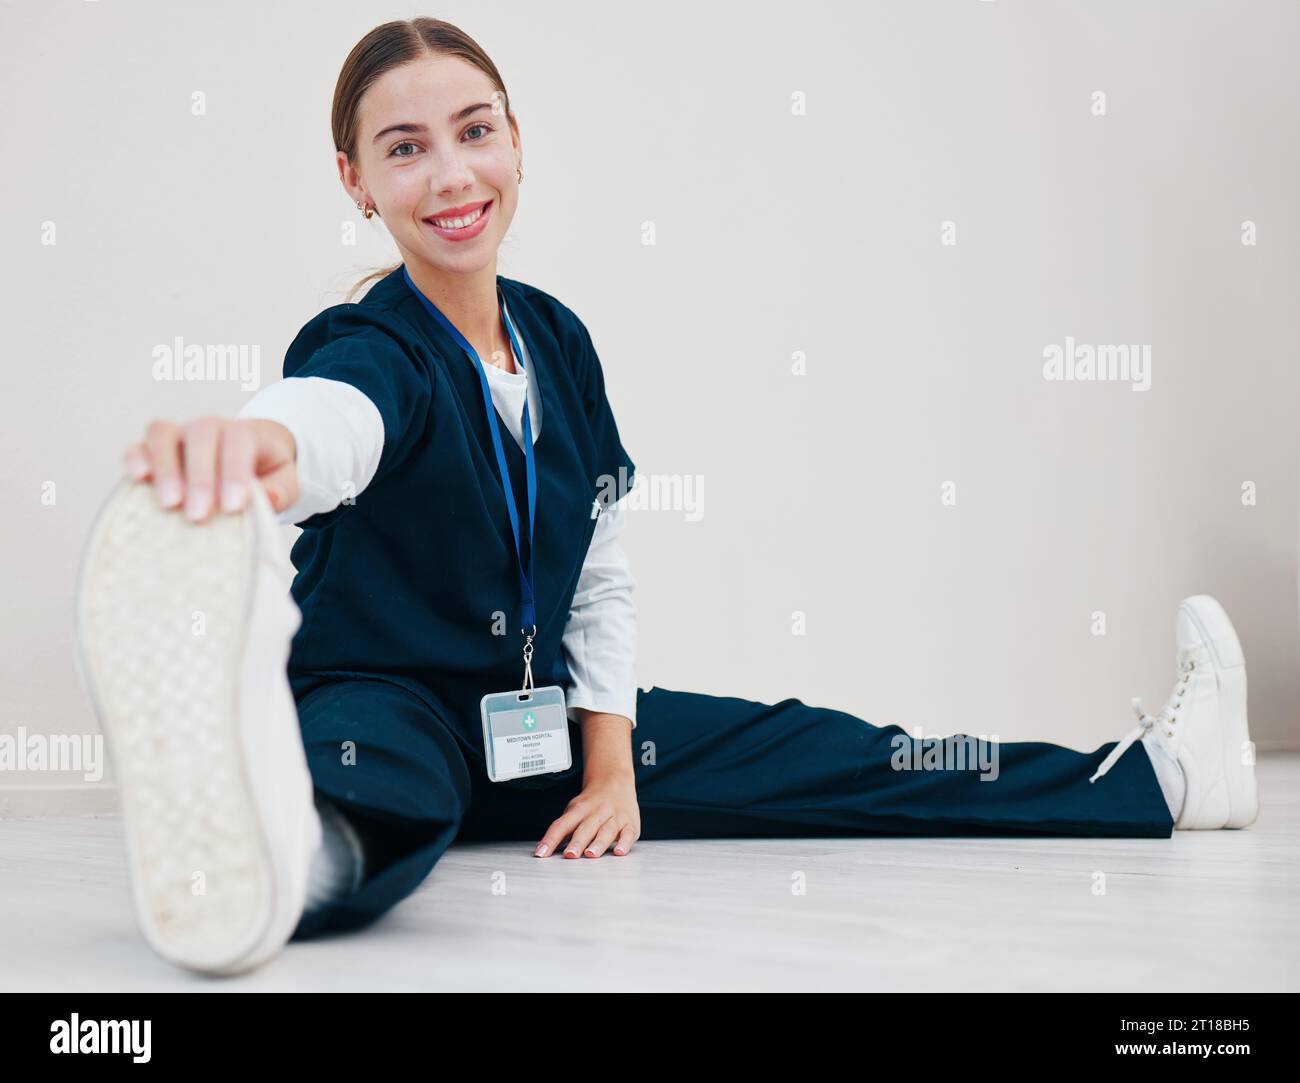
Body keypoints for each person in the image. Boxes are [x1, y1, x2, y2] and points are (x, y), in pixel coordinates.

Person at [73, 17, 1259, 979]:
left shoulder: (560, 342)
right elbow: (331, 423)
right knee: (373, 777)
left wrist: (609, 770)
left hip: (541, 724)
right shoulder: (369, 347)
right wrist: (249, 451)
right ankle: (286, 861)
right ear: (356, 181)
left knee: (832, 753)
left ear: (518, 142)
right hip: (383, 702)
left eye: (473, 131)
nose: (449, 174)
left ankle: (1162, 779)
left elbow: (597, 570)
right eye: (403, 148)